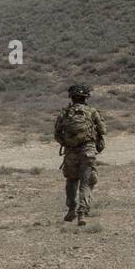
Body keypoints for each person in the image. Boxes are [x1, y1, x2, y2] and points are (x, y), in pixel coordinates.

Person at [53, 84, 107, 226]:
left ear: (71, 97)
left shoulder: (65, 112)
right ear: (86, 97)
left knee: (71, 180)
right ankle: (82, 213)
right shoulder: (92, 111)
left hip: (71, 152)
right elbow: (103, 130)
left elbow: (57, 134)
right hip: (87, 151)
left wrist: (67, 143)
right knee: (86, 182)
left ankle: (71, 209)